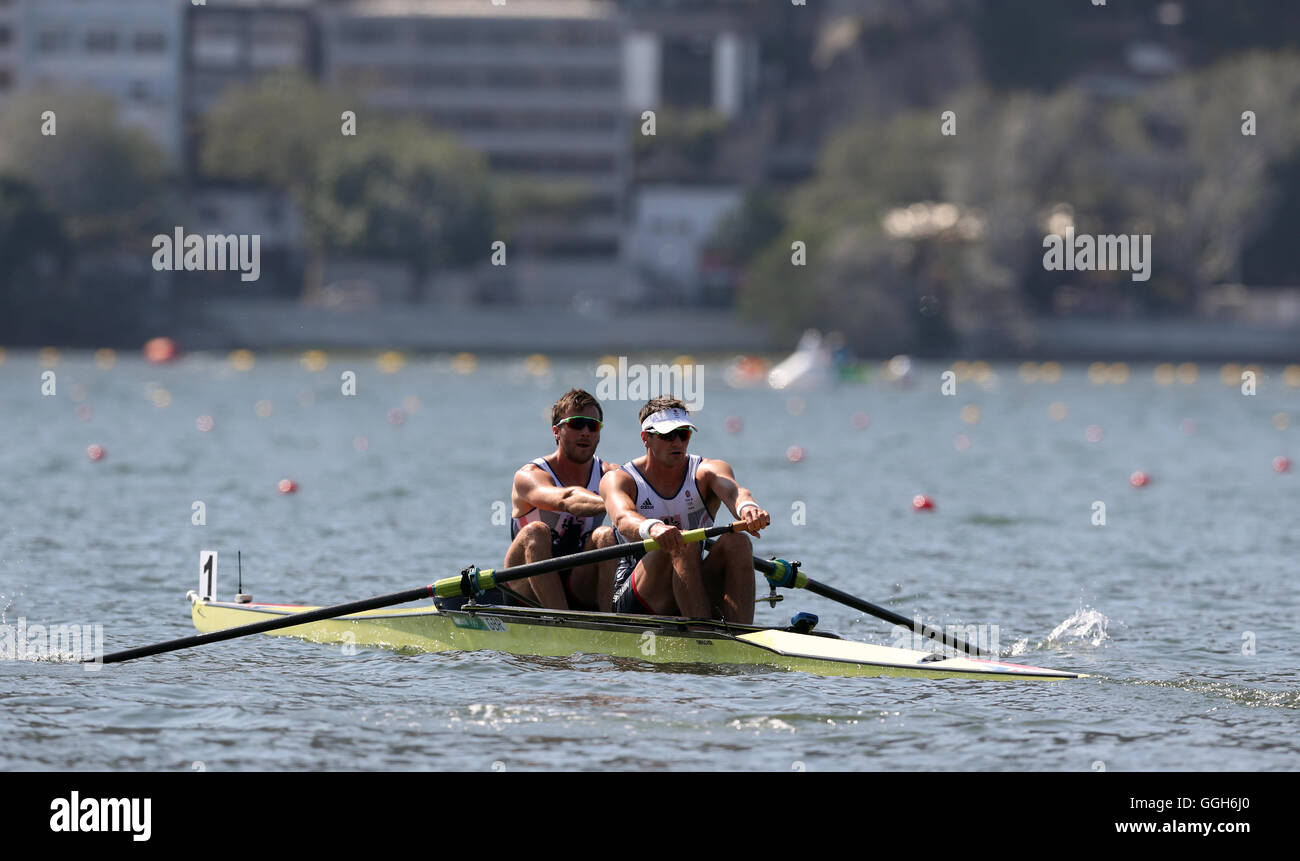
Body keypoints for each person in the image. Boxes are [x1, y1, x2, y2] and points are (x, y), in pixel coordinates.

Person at [600, 397, 770, 623]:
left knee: (738, 542)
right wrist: (654, 528)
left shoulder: (708, 470)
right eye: (668, 435)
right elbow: (622, 518)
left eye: (684, 434)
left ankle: (742, 637)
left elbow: (734, 492)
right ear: (646, 438)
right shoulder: (620, 479)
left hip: (689, 585)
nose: (677, 442)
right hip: (636, 598)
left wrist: (748, 508)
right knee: (683, 542)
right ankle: (702, 638)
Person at [505, 389, 619, 611]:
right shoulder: (529, 476)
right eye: (577, 424)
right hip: (526, 586)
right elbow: (567, 499)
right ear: (557, 431)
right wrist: (619, 504)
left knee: (605, 535)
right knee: (535, 531)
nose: (585, 432)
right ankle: (561, 619)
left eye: (592, 426)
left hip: (579, 581)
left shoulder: (611, 474)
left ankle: (612, 623)